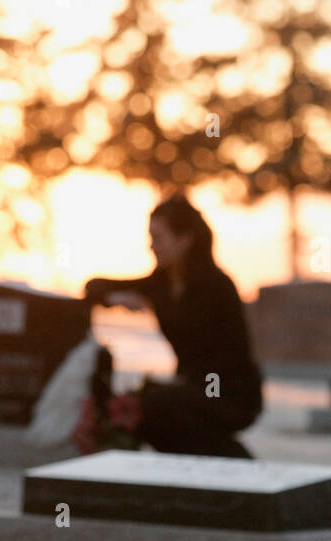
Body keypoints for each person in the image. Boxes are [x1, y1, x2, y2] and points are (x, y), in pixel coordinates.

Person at [83, 193, 263, 458]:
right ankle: (195, 474)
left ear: (185, 239)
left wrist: (176, 390)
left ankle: (239, 464)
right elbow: (94, 286)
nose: (151, 246)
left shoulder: (217, 286)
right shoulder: (160, 284)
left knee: (153, 405)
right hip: (190, 389)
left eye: (158, 238)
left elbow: (230, 358)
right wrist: (115, 298)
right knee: (138, 410)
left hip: (230, 392)